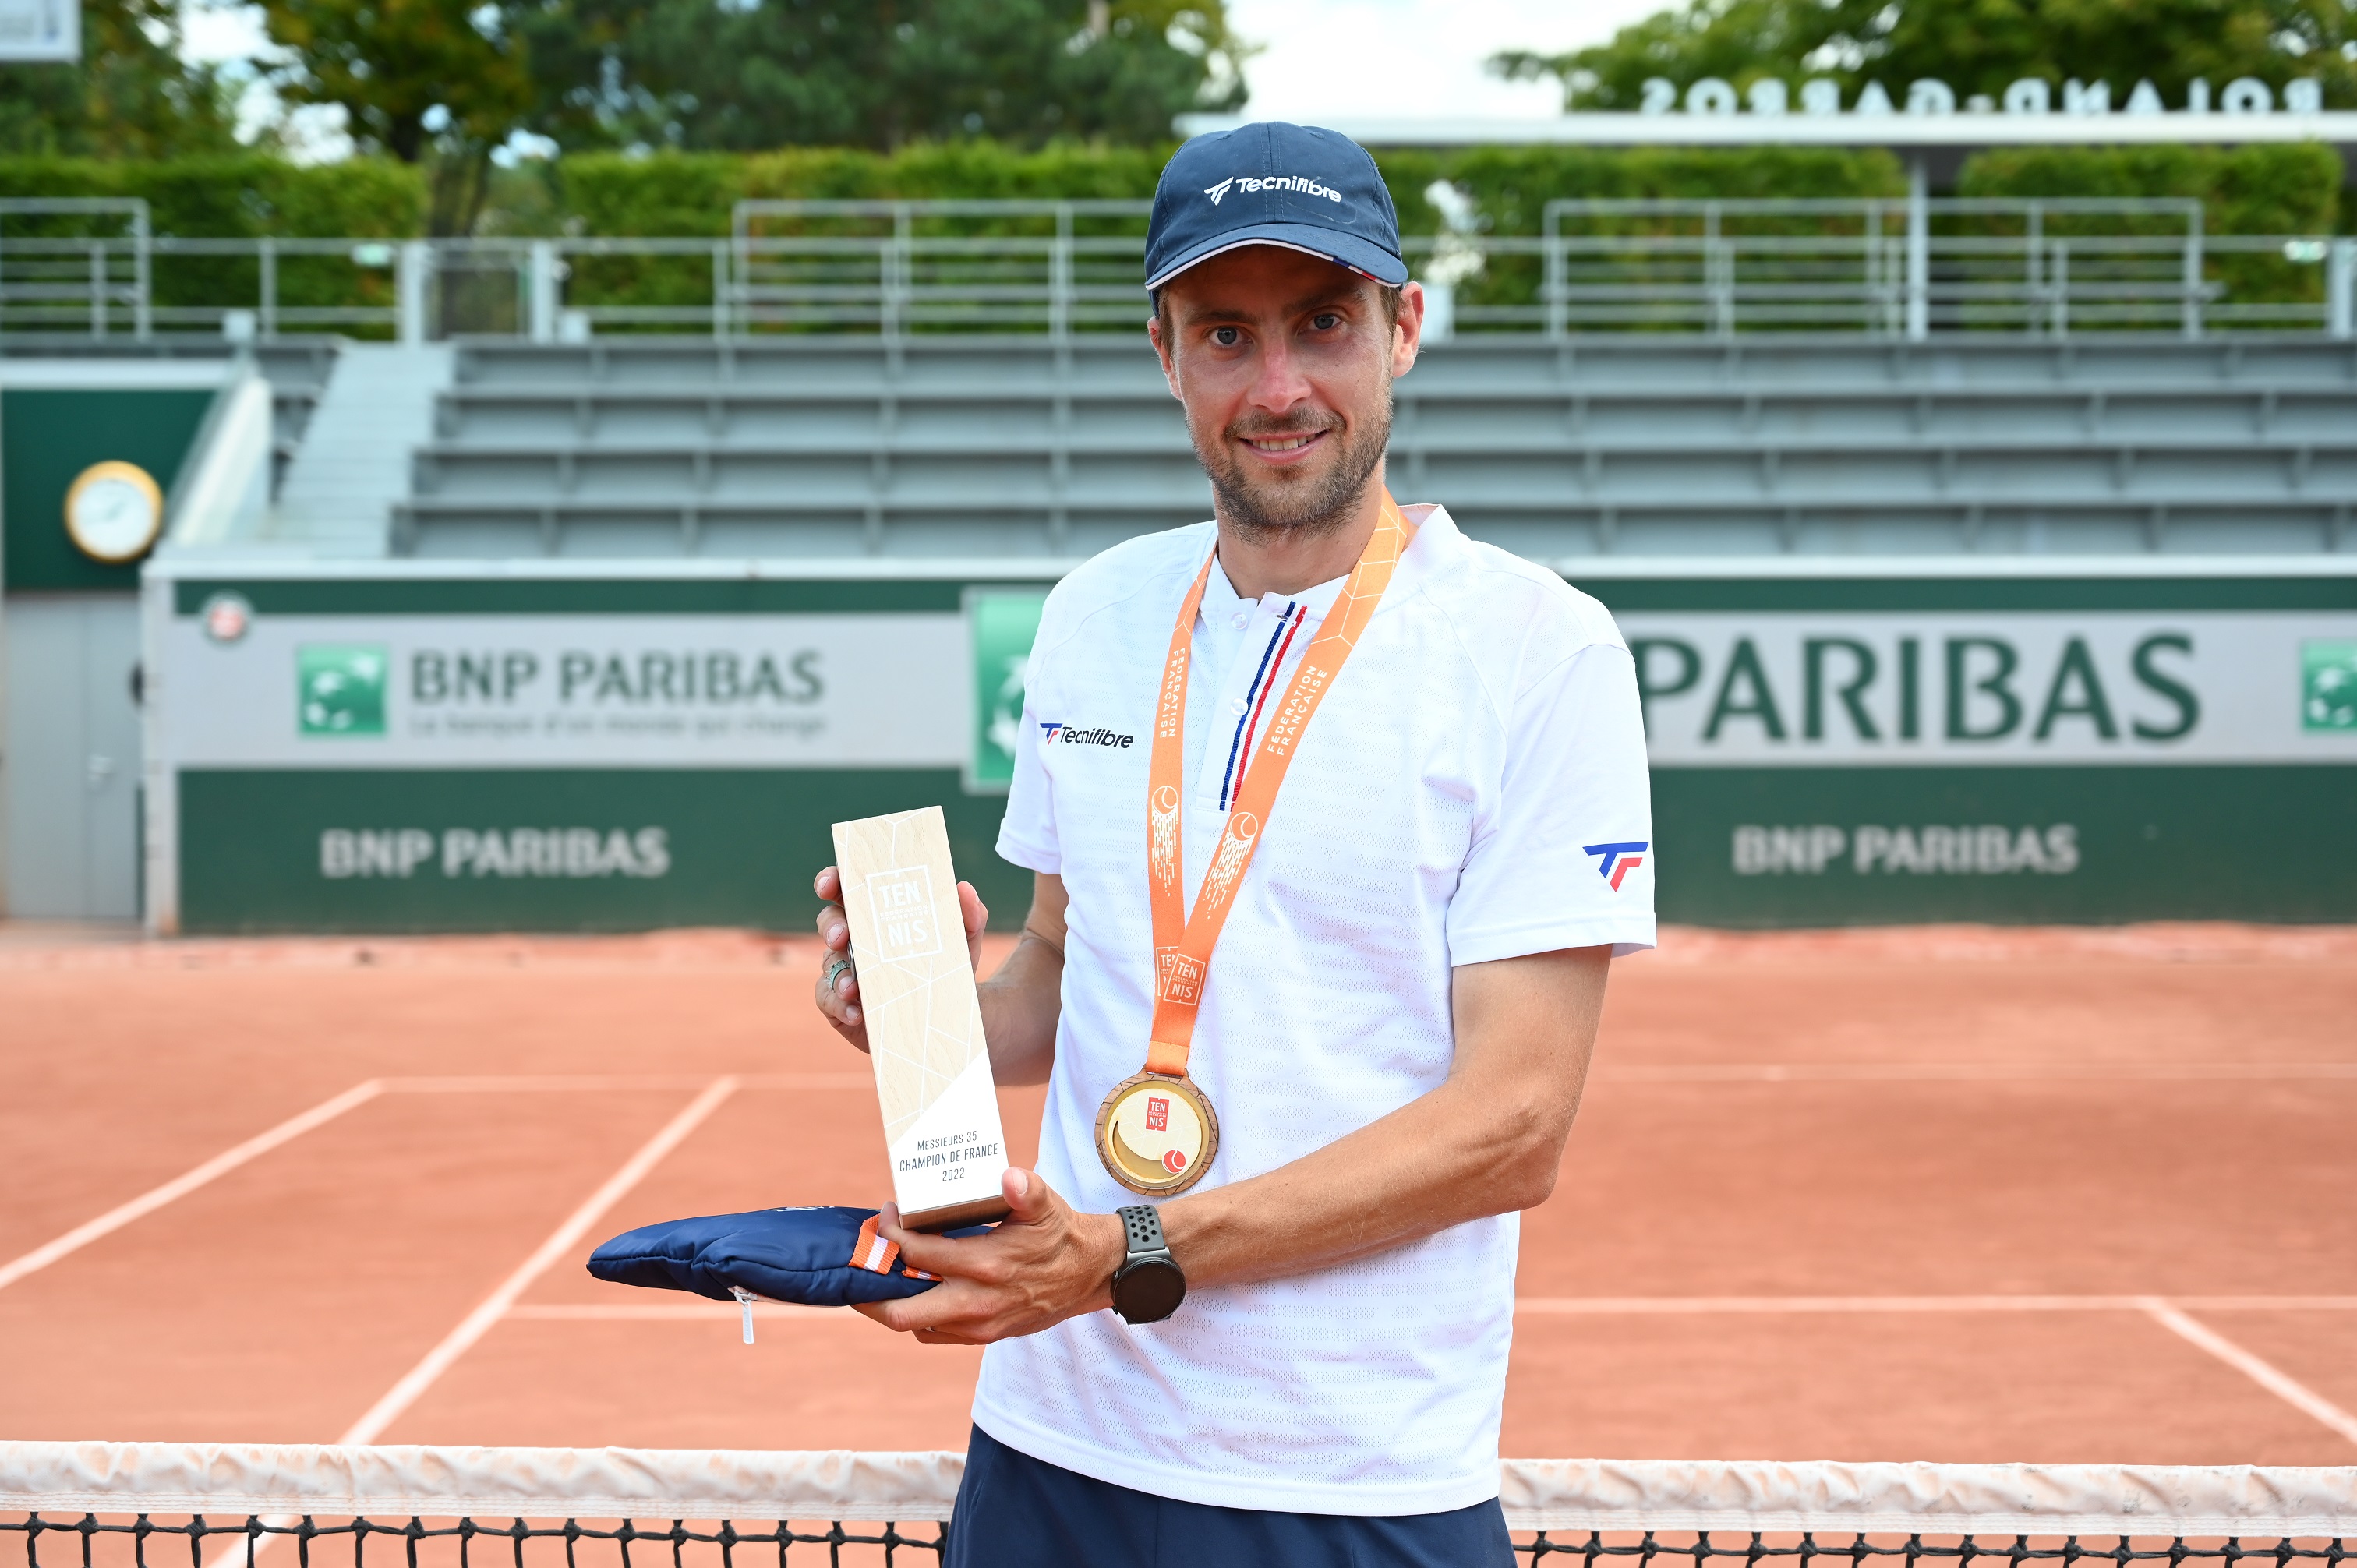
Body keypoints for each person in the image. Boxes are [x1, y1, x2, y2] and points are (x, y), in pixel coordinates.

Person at [811, 121, 1655, 1566]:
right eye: (1226, 334)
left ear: (1402, 328)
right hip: (1052, 1451)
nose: (1277, 387)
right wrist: (913, 1004)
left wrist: (1125, 1254)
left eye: (1321, 325)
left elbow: (1513, 1128)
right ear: (1166, 353)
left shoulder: (1542, 648)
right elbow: (1065, 973)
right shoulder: (1094, 614)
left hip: (1355, 1479)